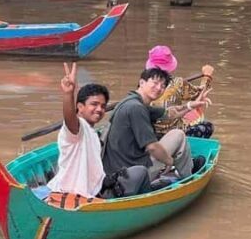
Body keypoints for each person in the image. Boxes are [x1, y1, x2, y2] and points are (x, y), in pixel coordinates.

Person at [47, 63, 151, 199]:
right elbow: (70, 119)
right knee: (141, 172)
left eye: (103, 106)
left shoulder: (92, 133)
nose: (99, 109)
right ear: (80, 107)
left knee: (137, 172)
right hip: (75, 196)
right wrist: (68, 94)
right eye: (94, 104)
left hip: (95, 192)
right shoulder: (78, 128)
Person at [102, 67, 210, 182]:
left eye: (163, 86)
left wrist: (190, 106)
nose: (159, 88)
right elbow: (152, 147)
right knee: (179, 135)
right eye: (155, 83)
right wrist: (169, 161)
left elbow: (170, 114)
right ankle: (188, 177)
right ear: (142, 82)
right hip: (131, 175)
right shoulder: (137, 108)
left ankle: (183, 167)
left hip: (120, 170)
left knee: (171, 137)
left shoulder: (131, 101)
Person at [145, 45, 215, 138]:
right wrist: (207, 76)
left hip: (150, 133)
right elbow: (200, 93)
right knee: (207, 126)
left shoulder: (144, 84)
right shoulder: (178, 82)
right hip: (174, 134)